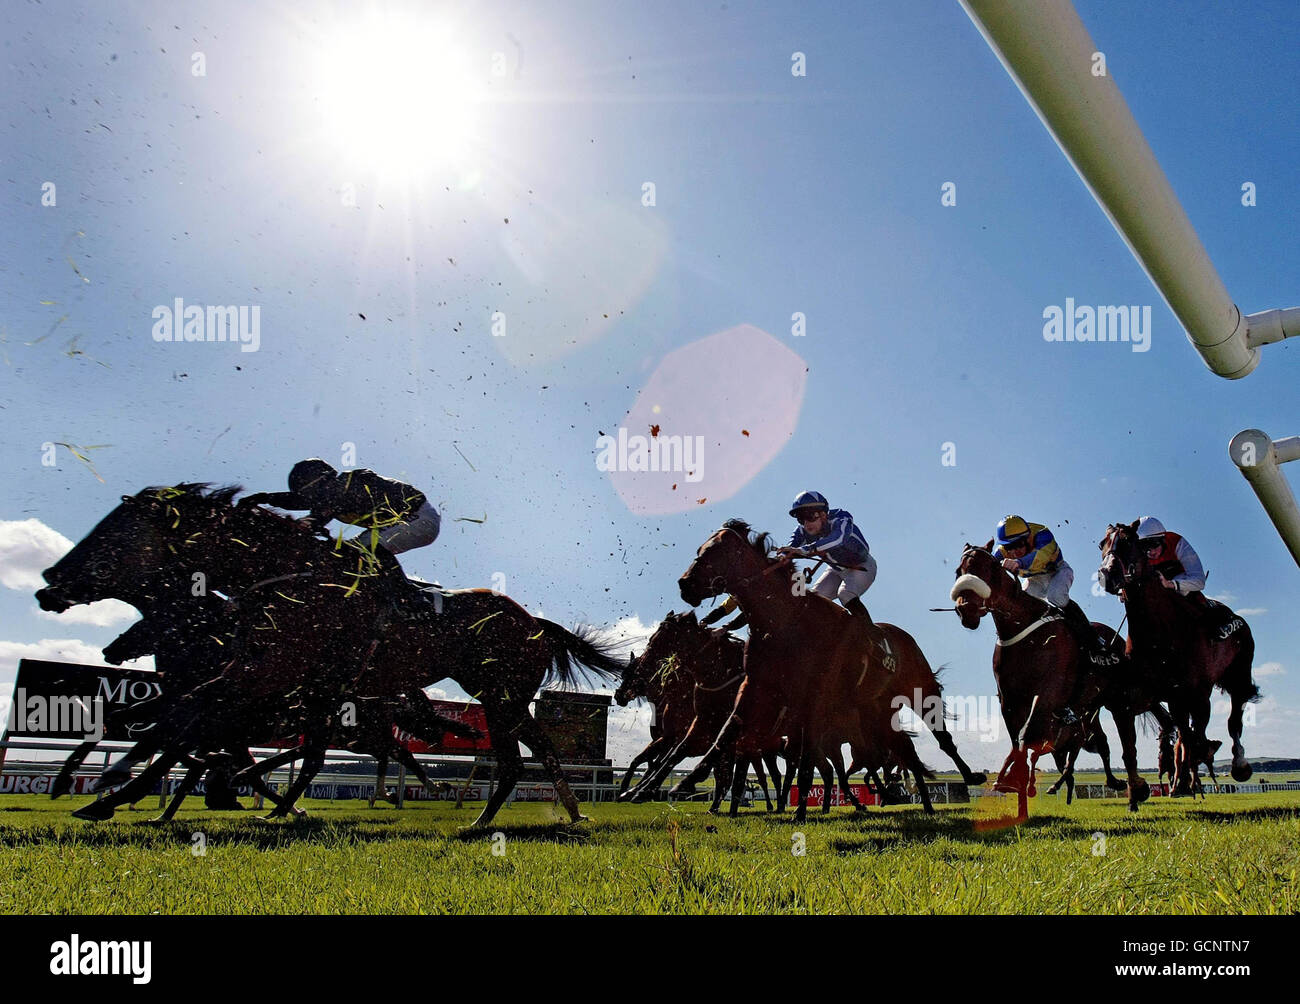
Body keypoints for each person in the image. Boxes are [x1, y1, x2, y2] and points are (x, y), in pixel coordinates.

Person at [240, 459, 440, 613]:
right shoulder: (331, 490)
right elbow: (304, 502)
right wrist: (265, 498)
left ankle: (410, 597)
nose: (310, 501)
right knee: (347, 553)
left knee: (366, 547)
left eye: (310, 494)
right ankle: (388, 594)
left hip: (418, 517)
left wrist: (309, 522)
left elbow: (323, 507)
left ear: (318, 483)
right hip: (399, 522)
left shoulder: (344, 484)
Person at [993, 514, 1111, 725]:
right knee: (1020, 607)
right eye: (1009, 548)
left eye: (1019, 544)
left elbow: (1038, 557)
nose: (1014, 550)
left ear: (1027, 537)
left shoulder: (1042, 535)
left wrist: (1018, 562)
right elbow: (990, 567)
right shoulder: (1002, 552)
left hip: (1058, 573)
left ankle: (1094, 641)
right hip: (1034, 580)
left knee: (1056, 597)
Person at [775, 491, 891, 665]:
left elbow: (838, 539)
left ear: (823, 514)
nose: (806, 523)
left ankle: (877, 639)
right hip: (836, 569)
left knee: (846, 594)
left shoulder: (842, 519)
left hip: (862, 567)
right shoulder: (802, 530)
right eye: (801, 518)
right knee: (813, 599)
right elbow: (790, 549)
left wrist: (806, 550)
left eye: (810, 516)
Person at [1135, 516, 1206, 597]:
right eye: (1144, 546)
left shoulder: (1177, 543)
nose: (1151, 552)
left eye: (1154, 544)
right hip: (1155, 590)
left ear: (1163, 540)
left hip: (1182, 584)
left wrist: (1170, 584)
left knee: (1183, 591)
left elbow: (1200, 581)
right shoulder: (1138, 554)